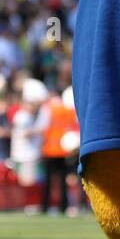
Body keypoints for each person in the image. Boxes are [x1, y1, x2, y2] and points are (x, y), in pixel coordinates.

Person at [38, 85, 80, 214]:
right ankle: (63, 206)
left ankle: (45, 206)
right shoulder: (69, 110)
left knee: (48, 180)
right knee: (62, 180)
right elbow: (75, 125)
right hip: (64, 149)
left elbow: (42, 127)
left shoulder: (48, 108)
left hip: (50, 148)